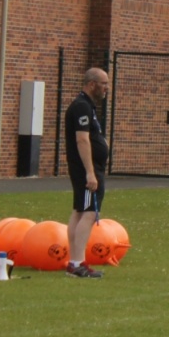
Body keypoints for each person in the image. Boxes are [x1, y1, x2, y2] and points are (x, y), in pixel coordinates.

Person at [64, 67, 110, 279]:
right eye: (104, 84)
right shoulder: (82, 106)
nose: (106, 89)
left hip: (86, 168)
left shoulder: (86, 106)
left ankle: (74, 261)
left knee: (80, 211)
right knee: (89, 212)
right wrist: (90, 172)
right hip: (86, 169)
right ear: (92, 84)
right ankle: (77, 263)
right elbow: (82, 139)